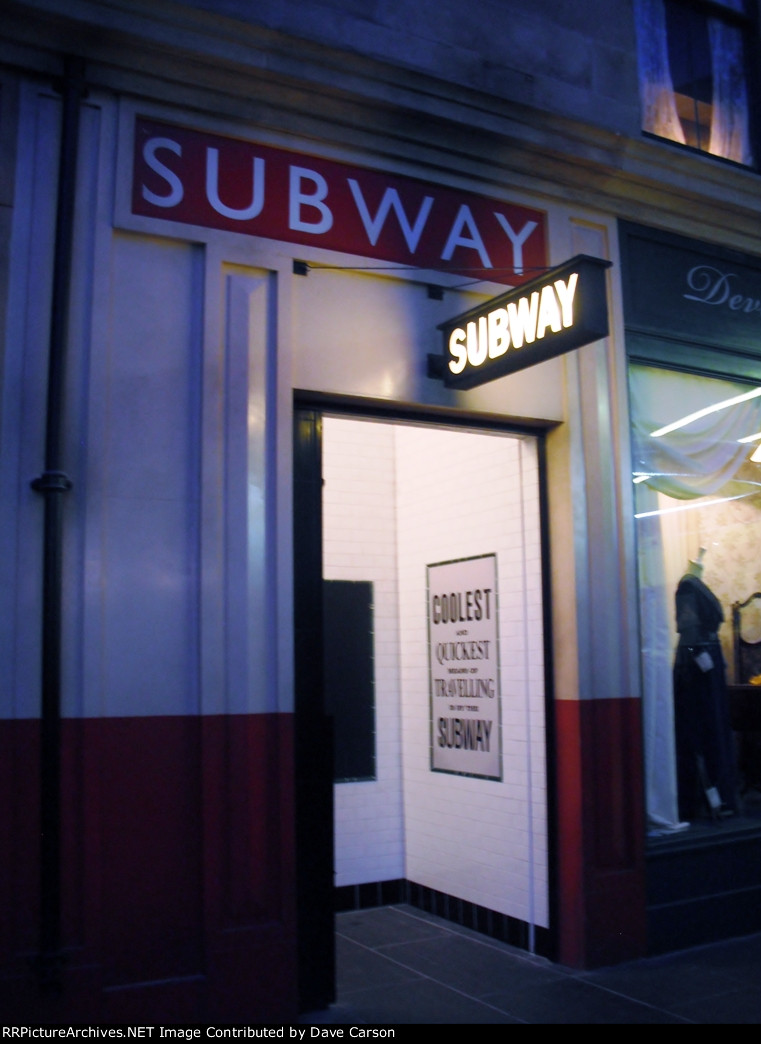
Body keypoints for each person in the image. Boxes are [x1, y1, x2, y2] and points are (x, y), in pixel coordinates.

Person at [672, 548, 738, 820]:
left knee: (714, 726)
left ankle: (717, 797)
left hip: (706, 661)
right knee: (703, 727)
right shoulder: (688, 584)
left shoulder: (695, 583)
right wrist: (700, 658)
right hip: (697, 665)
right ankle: (702, 798)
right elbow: (688, 627)